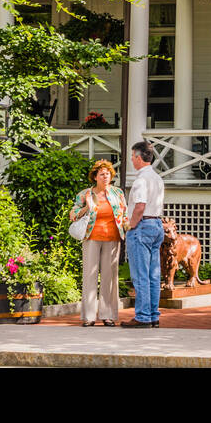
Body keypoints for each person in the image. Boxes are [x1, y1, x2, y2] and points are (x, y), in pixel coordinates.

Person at [68, 159, 127, 327]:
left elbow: (125, 212)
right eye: (102, 174)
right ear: (95, 177)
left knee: (110, 278)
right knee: (89, 276)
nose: (105, 176)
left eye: (108, 174)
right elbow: (73, 215)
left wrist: (128, 227)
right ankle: (88, 316)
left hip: (113, 238)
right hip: (91, 237)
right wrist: (87, 206)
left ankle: (108, 315)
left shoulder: (118, 193)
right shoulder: (85, 194)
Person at [122, 141, 165, 329]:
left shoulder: (140, 180)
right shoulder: (157, 178)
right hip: (156, 223)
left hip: (142, 226)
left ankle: (143, 316)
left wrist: (131, 224)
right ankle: (153, 315)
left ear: (139, 158)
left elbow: (139, 206)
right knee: (154, 274)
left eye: (133, 156)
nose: (131, 160)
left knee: (140, 275)